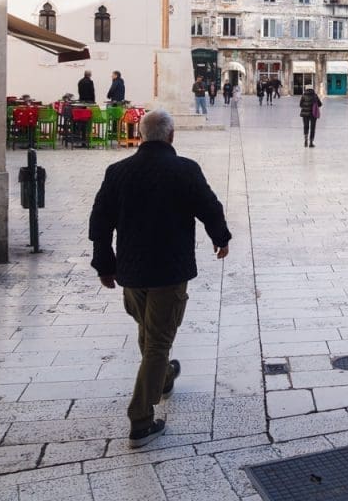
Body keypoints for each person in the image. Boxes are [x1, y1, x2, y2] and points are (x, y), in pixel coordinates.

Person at [88, 109, 231, 449]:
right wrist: (220, 237)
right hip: (169, 268)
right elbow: (208, 206)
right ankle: (141, 419)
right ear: (171, 136)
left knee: (149, 331)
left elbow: (100, 222)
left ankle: (164, 378)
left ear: (140, 134)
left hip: (132, 271)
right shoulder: (184, 169)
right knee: (158, 342)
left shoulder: (118, 172)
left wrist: (104, 264)